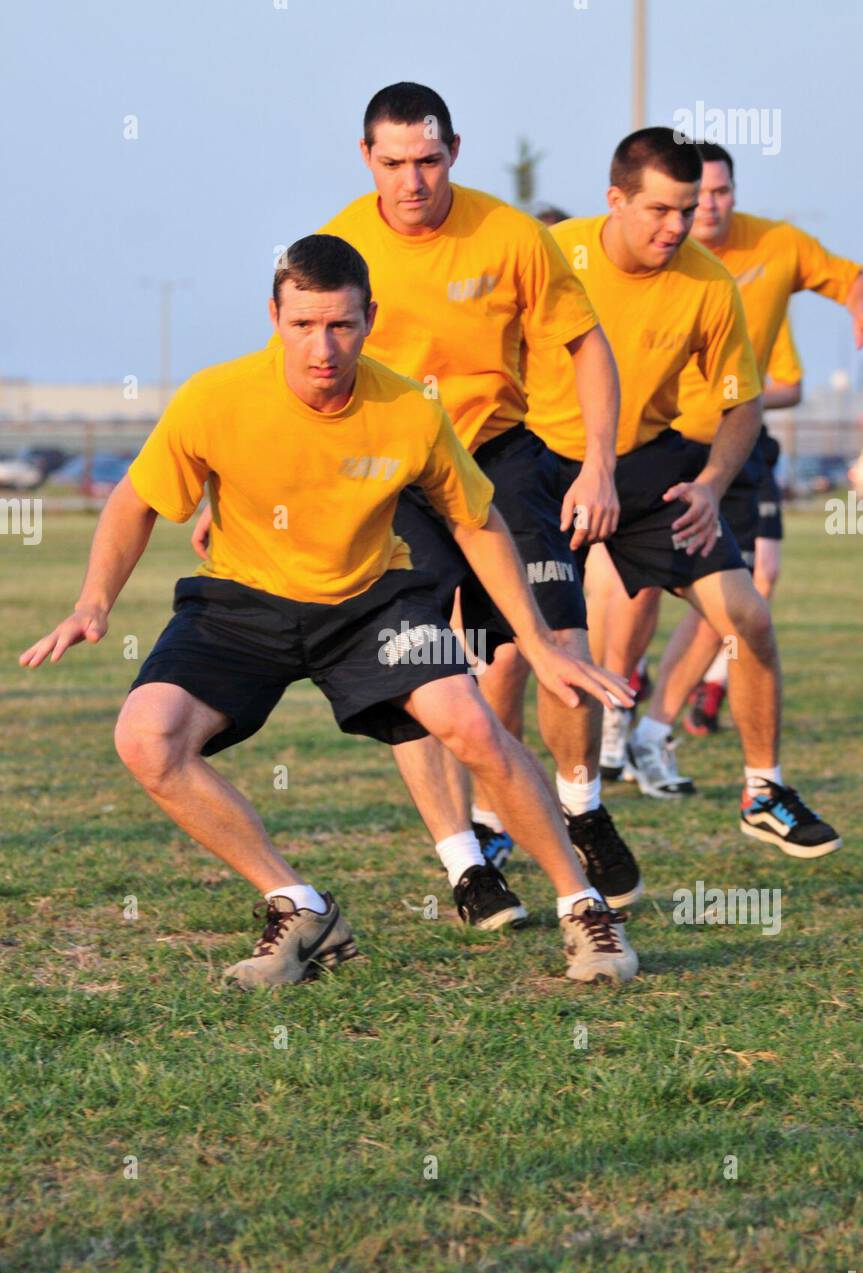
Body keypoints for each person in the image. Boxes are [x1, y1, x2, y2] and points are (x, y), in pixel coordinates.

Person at [20, 235, 639, 987]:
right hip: (243, 602)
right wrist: (95, 600)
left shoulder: (408, 409)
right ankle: (299, 907)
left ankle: (583, 910)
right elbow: (137, 499)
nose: (322, 346)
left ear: (370, 318)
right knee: (147, 740)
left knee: (471, 724)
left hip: (369, 604)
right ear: (274, 316)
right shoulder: (216, 397)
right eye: (304, 324)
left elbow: (476, 520)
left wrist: (538, 643)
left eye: (341, 325)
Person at [194, 82, 642, 914]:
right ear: (366, 157)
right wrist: (227, 494)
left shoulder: (509, 236)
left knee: (559, 638)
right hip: (389, 473)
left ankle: (582, 807)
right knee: (414, 661)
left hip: (498, 459)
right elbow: (283, 380)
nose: (412, 181)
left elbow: (587, 346)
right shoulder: (336, 248)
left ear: (455, 153)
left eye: (429, 161)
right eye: (394, 162)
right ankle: (464, 862)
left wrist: (601, 466)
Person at [522, 127, 842, 858]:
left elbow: (743, 403)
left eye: (689, 207)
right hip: (543, 470)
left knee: (747, 616)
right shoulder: (550, 256)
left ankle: (762, 789)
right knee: (553, 651)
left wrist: (708, 485)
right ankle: (579, 816)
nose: (679, 226)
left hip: (645, 469)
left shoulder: (706, 282)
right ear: (615, 200)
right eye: (661, 210)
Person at [624, 141, 862, 785]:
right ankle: (617, 731)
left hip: (735, 452)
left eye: (716, 193)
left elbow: (849, 285)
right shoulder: (650, 257)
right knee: (634, 593)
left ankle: (654, 731)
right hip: (656, 445)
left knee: (743, 592)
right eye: (690, 197)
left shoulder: (776, 248)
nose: (703, 208)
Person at [685, 316, 802, 735]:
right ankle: (635, 688)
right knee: (696, 586)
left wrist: (739, 399)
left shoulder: (763, 297)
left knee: (761, 576)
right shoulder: (681, 288)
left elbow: (792, 388)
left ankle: (713, 682)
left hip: (747, 449)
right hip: (680, 446)